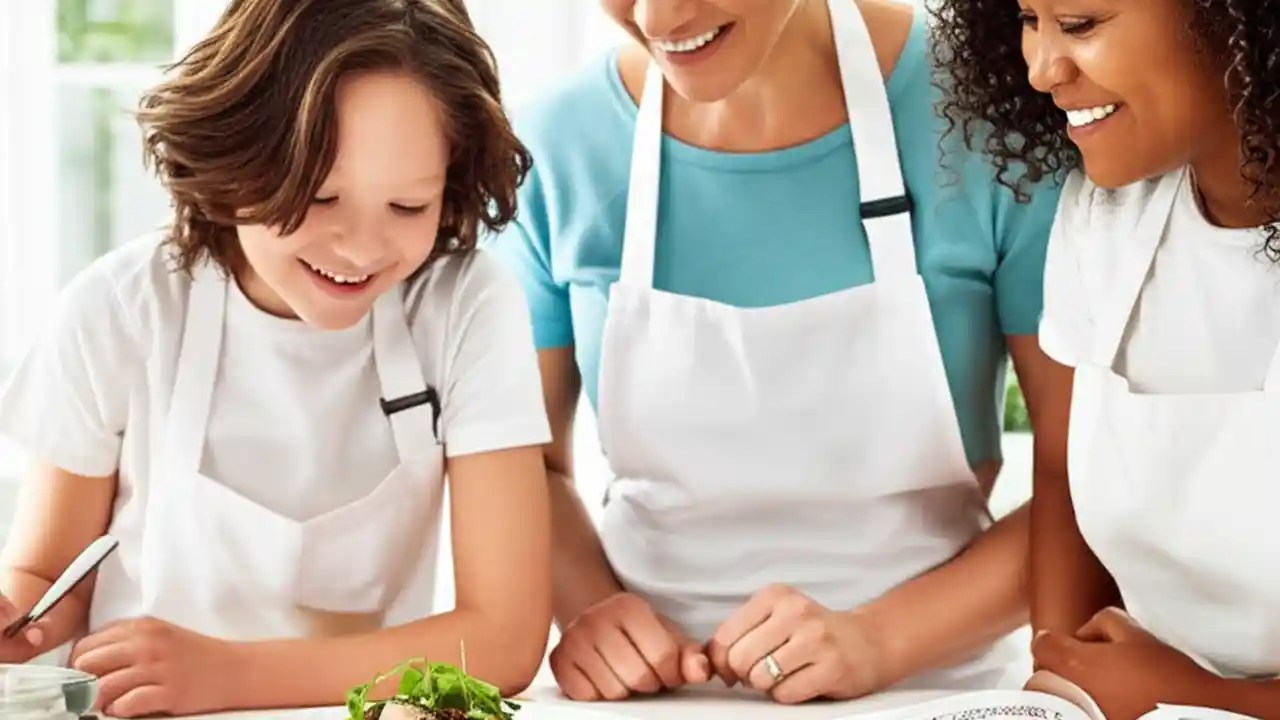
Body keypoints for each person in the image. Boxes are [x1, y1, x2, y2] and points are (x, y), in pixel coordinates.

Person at [487, 0, 1063, 704]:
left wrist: (879, 640)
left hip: (934, 690)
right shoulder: (557, 147)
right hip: (643, 700)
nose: (657, 15)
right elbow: (528, 472)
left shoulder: (983, 107)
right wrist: (588, 608)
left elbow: (1085, 485)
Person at [0, 0, 553, 716]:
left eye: (408, 208)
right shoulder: (120, 308)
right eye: (320, 197)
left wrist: (232, 677)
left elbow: (504, 639)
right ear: (237, 157)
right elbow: (50, 578)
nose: (359, 248)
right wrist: (20, 611)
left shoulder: (464, 306)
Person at [932, 0, 1280, 717]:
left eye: (1081, 24)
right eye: (1030, 19)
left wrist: (1198, 696)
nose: (1041, 68)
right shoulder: (1103, 217)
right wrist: (1063, 677)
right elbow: (1060, 473)